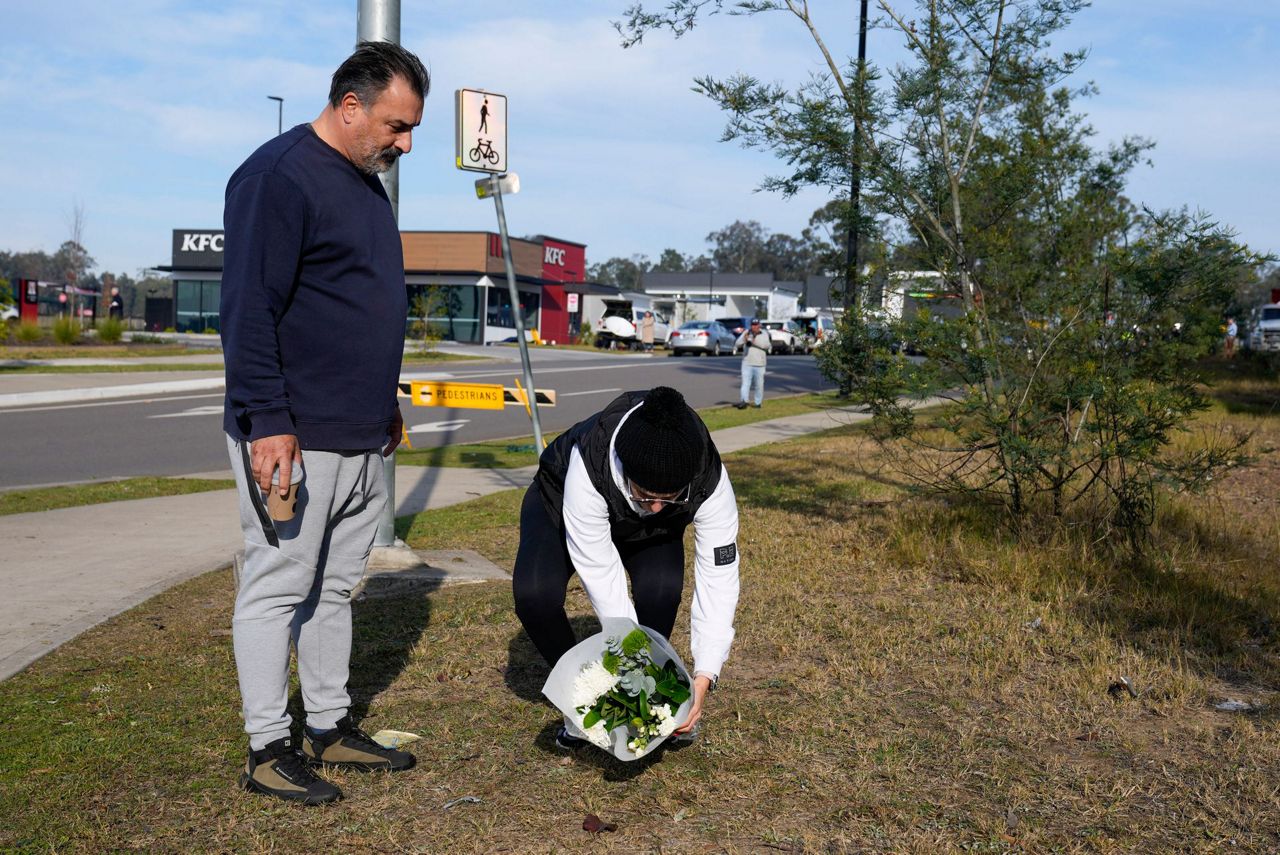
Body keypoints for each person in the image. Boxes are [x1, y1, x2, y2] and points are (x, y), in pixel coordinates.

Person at [219, 41, 428, 806]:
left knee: (334, 588)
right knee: (277, 586)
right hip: (295, 434)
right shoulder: (277, 178)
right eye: (397, 126)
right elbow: (249, 311)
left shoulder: (365, 185)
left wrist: (383, 403)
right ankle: (267, 748)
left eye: (410, 130)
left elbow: (352, 305)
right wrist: (268, 420)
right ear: (349, 106)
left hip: (359, 432)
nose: (404, 144)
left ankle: (329, 725)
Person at [513, 386, 741, 750]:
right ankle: (585, 698)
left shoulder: (709, 481)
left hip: (645, 526)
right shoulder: (590, 466)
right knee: (535, 595)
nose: (656, 507)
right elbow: (603, 578)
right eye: (646, 494)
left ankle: (659, 700)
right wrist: (627, 669)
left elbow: (719, 577)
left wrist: (704, 676)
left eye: (669, 497)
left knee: (661, 589)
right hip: (557, 504)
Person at [735, 317, 770, 409]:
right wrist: (744, 339)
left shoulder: (764, 333)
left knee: (759, 385)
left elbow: (767, 345)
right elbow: (737, 343)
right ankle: (744, 401)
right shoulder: (746, 332)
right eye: (753, 325)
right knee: (745, 383)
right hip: (747, 362)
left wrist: (754, 342)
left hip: (760, 363)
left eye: (756, 325)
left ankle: (758, 402)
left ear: (759, 325)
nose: (754, 327)